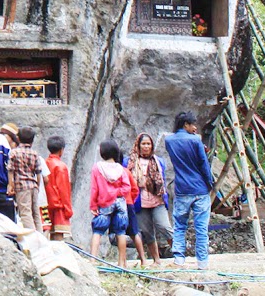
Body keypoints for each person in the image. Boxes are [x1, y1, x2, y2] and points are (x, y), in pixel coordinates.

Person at [165, 109, 213, 270]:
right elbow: (203, 164)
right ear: (186, 124)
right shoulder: (195, 141)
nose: (195, 129)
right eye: (193, 125)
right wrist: (209, 183)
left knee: (179, 225)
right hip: (199, 189)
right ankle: (202, 262)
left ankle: (178, 259)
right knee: (201, 228)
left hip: (182, 189)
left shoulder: (169, 141)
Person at [90, 139, 135, 268]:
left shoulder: (97, 168)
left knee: (98, 231)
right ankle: (121, 263)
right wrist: (117, 192)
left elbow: (94, 188)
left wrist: (93, 205)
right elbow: (127, 187)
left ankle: (92, 261)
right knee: (120, 232)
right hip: (120, 202)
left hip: (104, 203)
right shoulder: (120, 169)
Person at [128, 132, 170, 264]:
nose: (146, 146)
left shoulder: (158, 162)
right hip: (140, 202)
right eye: (143, 144)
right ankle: (156, 260)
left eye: (148, 144)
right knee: (147, 232)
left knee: (164, 226)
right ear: (138, 146)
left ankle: (180, 254)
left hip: (157, 200)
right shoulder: (130, 162)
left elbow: (162, 181)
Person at [7, 125, 45, 233]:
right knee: (35, 213)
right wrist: (37, 185)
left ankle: (33, 236)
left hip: (21, 186)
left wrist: (11, 185)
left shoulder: (14, 152)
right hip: (33, 186)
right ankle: (40, 235)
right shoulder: (35, 153)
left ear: (18, 138)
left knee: (25, 212)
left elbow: (10, 170)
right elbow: (38, 172)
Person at [45, 135, 73, 241]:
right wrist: (68, 209)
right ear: (61, 150)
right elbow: (64, 190)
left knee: (47, 232)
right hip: (58, 206)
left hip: (45, 205)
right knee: (58, 235)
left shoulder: (44, 163)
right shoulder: (61, 166)